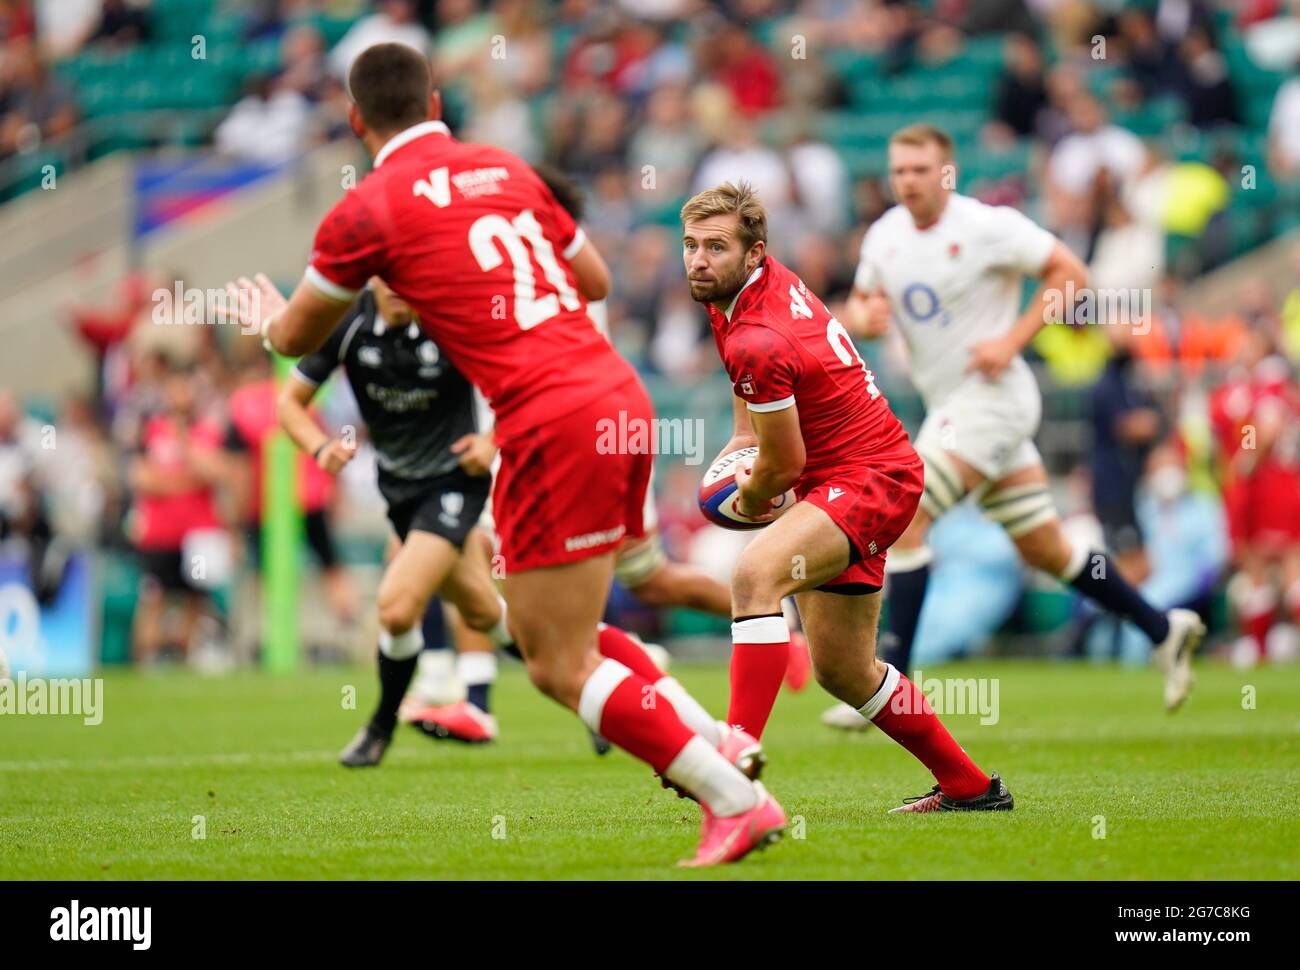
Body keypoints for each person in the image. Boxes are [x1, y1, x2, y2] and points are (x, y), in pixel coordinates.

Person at [222, 43, 782, 867]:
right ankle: (721, 745)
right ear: (439, 101)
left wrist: (269, 316)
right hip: (615, 397)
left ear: (354, 121)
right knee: (564, 624)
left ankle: (735, 802)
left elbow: (296, 337)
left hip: (546, 418)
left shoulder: (365, 210)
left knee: (556, 664)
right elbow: (590, 281)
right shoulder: (505, 168)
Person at [844, 124, 1206, 712]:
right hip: (952, 407)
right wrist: (866, 315)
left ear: (946, 173)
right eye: (899, 170)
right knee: (1049, 549)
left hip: (992, 399)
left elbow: (1071, 274)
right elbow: (860, 304)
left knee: (905, 515)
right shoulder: (884, 237)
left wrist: (1011, 341)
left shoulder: (987, 226)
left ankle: (891, 689)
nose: (907, 181)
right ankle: (1163, 628)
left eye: (918, 170)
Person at [683, 180, 1012, 814]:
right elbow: (749, 395)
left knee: (752, 577)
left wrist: (750, 496)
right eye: (691, 245)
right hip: (849, 475)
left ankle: (733, 765)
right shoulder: (743, 289)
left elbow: (784, 463)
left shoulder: (760, 334)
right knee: (844, 669)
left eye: (716, 246)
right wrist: (740, 442)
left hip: (866, 477)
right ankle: (971, 787)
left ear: (754, 254)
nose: (699, 259)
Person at [278, 278, 510, 764]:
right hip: (400, 492)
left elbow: (520, 384)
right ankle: (592, 680)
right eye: (391, 273)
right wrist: (319, 447)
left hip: (457, 483)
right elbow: (289, 403)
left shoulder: (450, 316)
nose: (403, 284)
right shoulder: (348, 324)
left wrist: (491, 442)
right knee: (485, 611)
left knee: (396, 604)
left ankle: (380, 726)